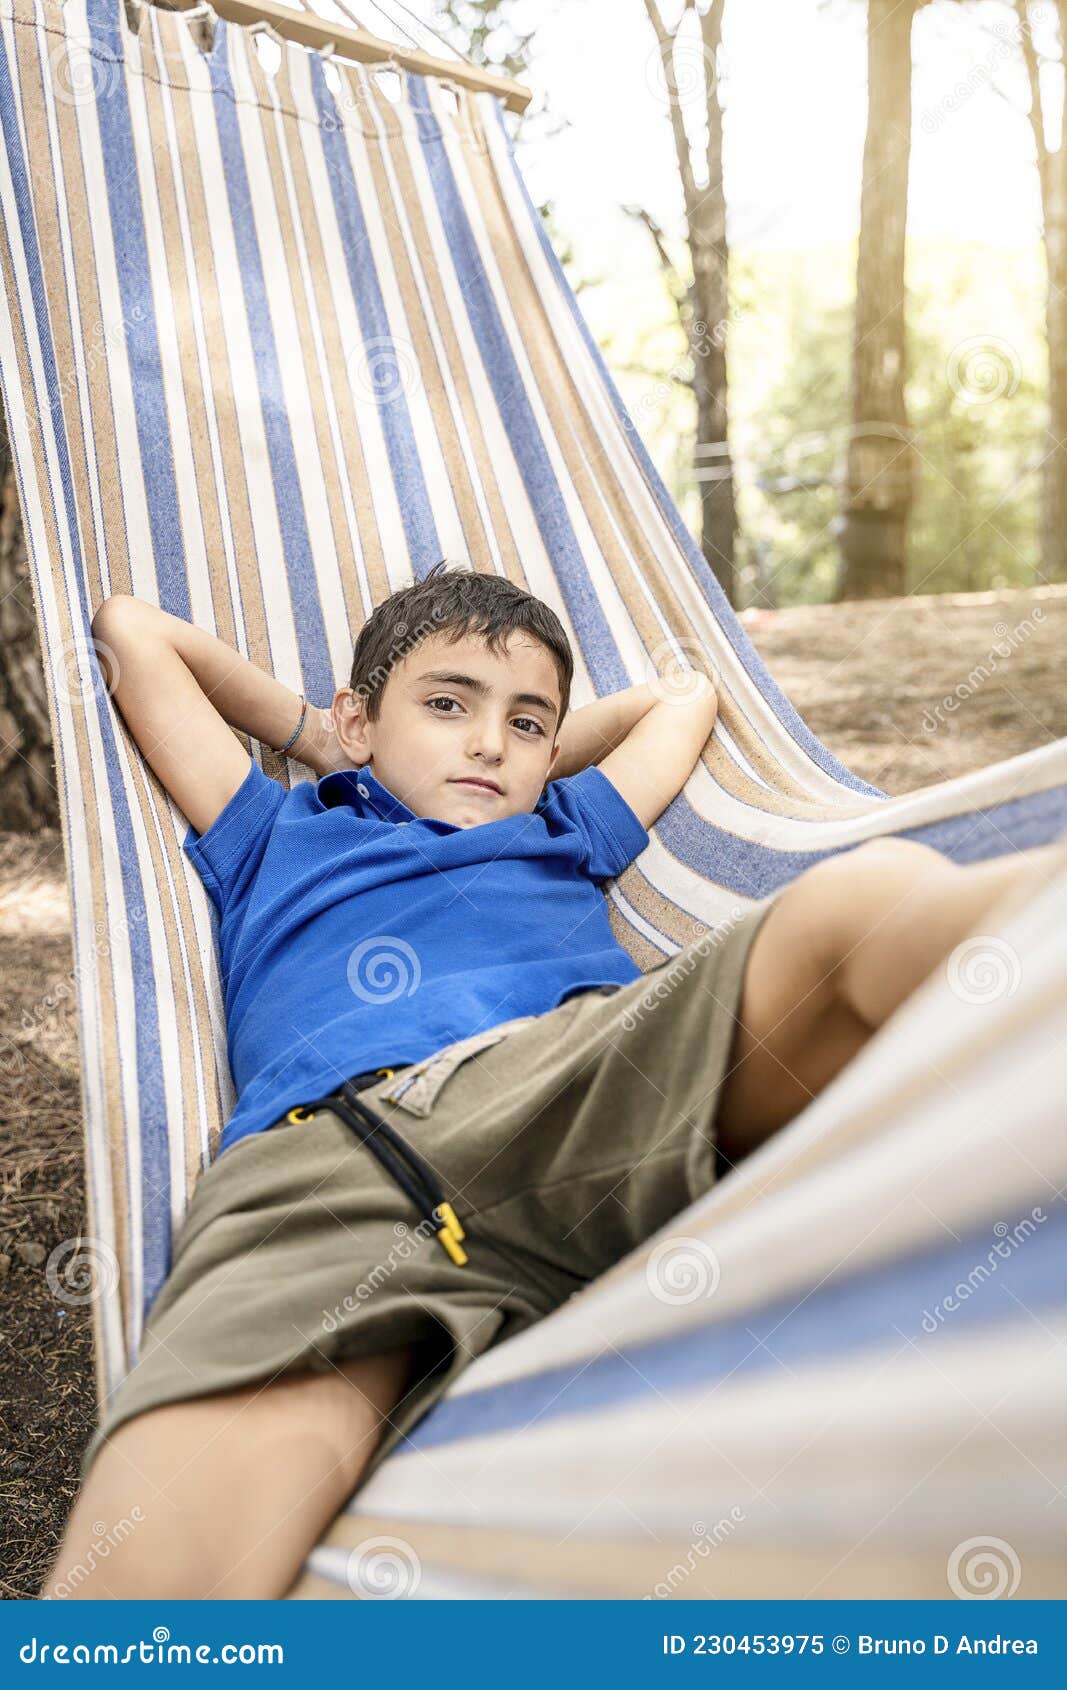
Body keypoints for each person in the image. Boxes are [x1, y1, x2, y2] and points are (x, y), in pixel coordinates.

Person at [47, 560, 1061, 1599]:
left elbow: (681, 698)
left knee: (861, 903)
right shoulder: (273, 830)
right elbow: (132, 633)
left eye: (528, 724)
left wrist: (517, 761)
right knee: (154, 1582)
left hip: (589, 1088)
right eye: (446, 705)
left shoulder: (564, 825)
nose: (489, 741)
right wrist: (319, 734)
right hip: (330, 1166)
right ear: (359, 720)